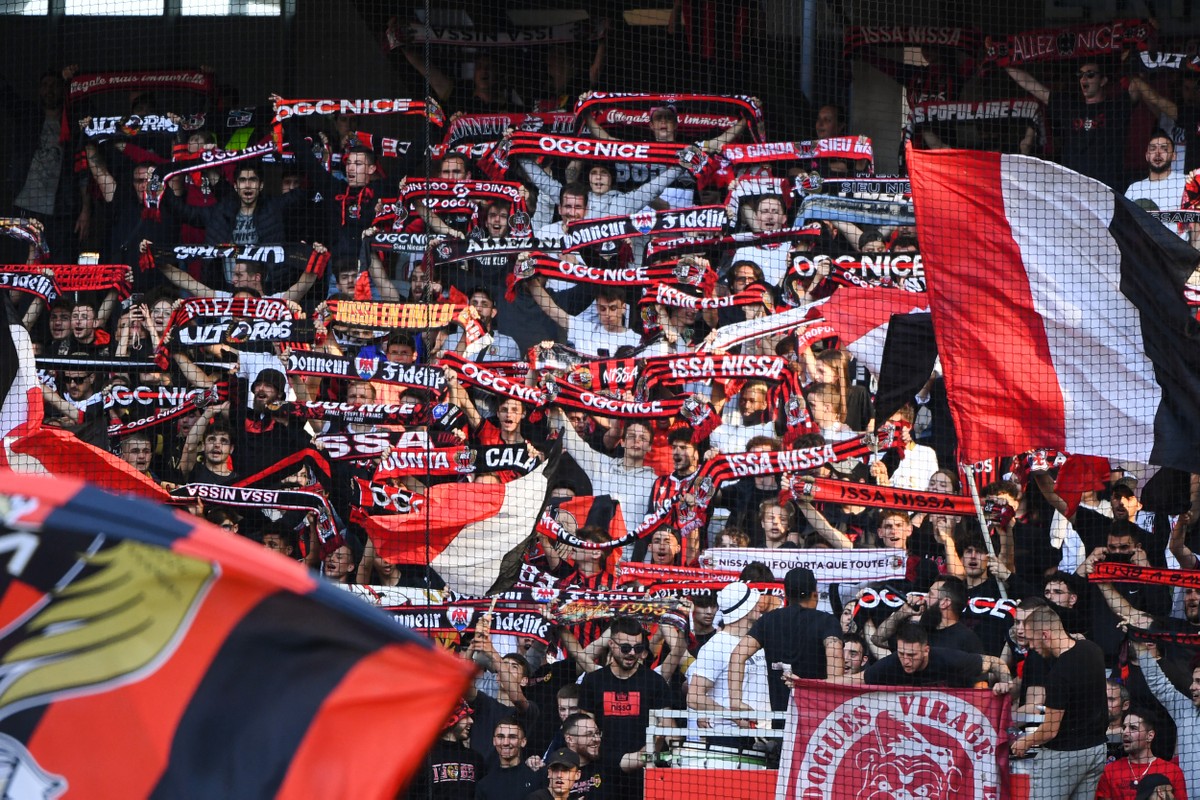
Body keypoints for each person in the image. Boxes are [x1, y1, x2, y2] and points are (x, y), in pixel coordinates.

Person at [1010, 605, 1108, 798]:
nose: (1030, 647)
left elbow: (1049, 730)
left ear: (1045, 635)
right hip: (1096, 751)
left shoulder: (1059, 675)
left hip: (1064, 757)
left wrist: (1025, 742)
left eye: (1032, 640)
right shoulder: (1093, 649)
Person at [576, 617, 674, 800]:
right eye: (625, 648)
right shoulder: (593, 681)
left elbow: (668, 729)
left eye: (637, 649)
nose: (631, 653)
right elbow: (584, 729)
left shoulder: (654, 682)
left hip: (644, 772)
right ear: (611, 645)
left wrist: (645, 755)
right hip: (602, 770)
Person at [727, 567, 842, 715]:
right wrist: (835, 699)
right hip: (818, 717)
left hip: (781, 717)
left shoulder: (768, 620)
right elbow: (835, 653)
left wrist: (735, 701)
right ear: (815, 594)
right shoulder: (827, 621)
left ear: (786, 594)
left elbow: (737, 655)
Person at [687, 581, 769, 743]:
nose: (758, 605)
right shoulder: (716, 645)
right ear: (745, 609)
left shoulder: (759, 641)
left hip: (762, 735)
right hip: (727, 737)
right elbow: (694, 697)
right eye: (754, 603)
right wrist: (734, 716)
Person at [1131, 638, 1200, 794]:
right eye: (1193, 681)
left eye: (1198, 682)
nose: (1192, 687)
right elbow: (1159, 684)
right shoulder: (1185, 710)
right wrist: (1138, 643)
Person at [860, 622, 1010, 688]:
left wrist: (1004, 683)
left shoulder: (950, 659)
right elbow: (857, 679)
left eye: (912, 655)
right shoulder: (893, 663)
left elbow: (996, 663)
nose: (905, 660)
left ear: (926, 650)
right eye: (902, 653)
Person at [1096, 709, 1189, 800]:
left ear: (1150, 736)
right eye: (1124, 728)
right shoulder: (1110, 771)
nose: (1125, 732)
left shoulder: (1172, 771)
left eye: (1133, 728)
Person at [405, 699, 486, 800]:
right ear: (451, 718)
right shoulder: (423, 758)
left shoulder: (475, 759)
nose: (471, 721)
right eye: (465, 716)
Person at [1125, 131, 1189, 240]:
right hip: (1142, 251)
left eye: (1164, 149)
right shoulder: (1134, 188)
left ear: (1174, 156)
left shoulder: (1186, 182)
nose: (1158, 153)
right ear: (1146, 156)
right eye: (1153, 149)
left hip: (1176, 253)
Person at [475, 718, 541, 800]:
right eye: (500, 737)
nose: (505, 742)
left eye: (512, 737)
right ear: (494, 741)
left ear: (523, 742)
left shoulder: (537, 777)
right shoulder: (484, 785)